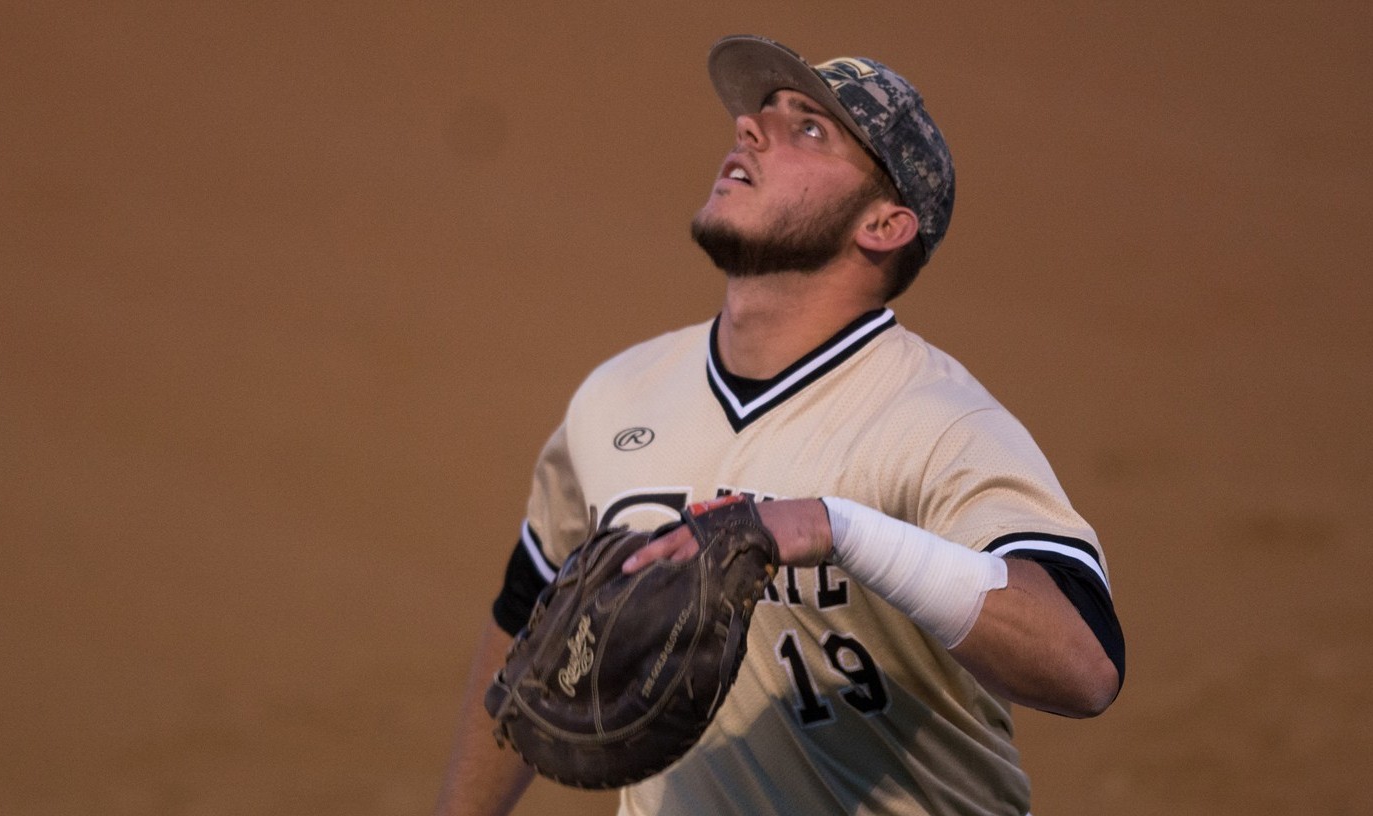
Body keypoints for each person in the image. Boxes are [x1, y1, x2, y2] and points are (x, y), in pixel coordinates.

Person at [434, 34, 1125, 816]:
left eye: (808, 129)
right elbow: (528, 617)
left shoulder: (936, 424)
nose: (748, 129)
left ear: (884, 224)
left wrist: (837, 528)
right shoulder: (617, 396)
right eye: (757, 114)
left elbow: (1083, 667)